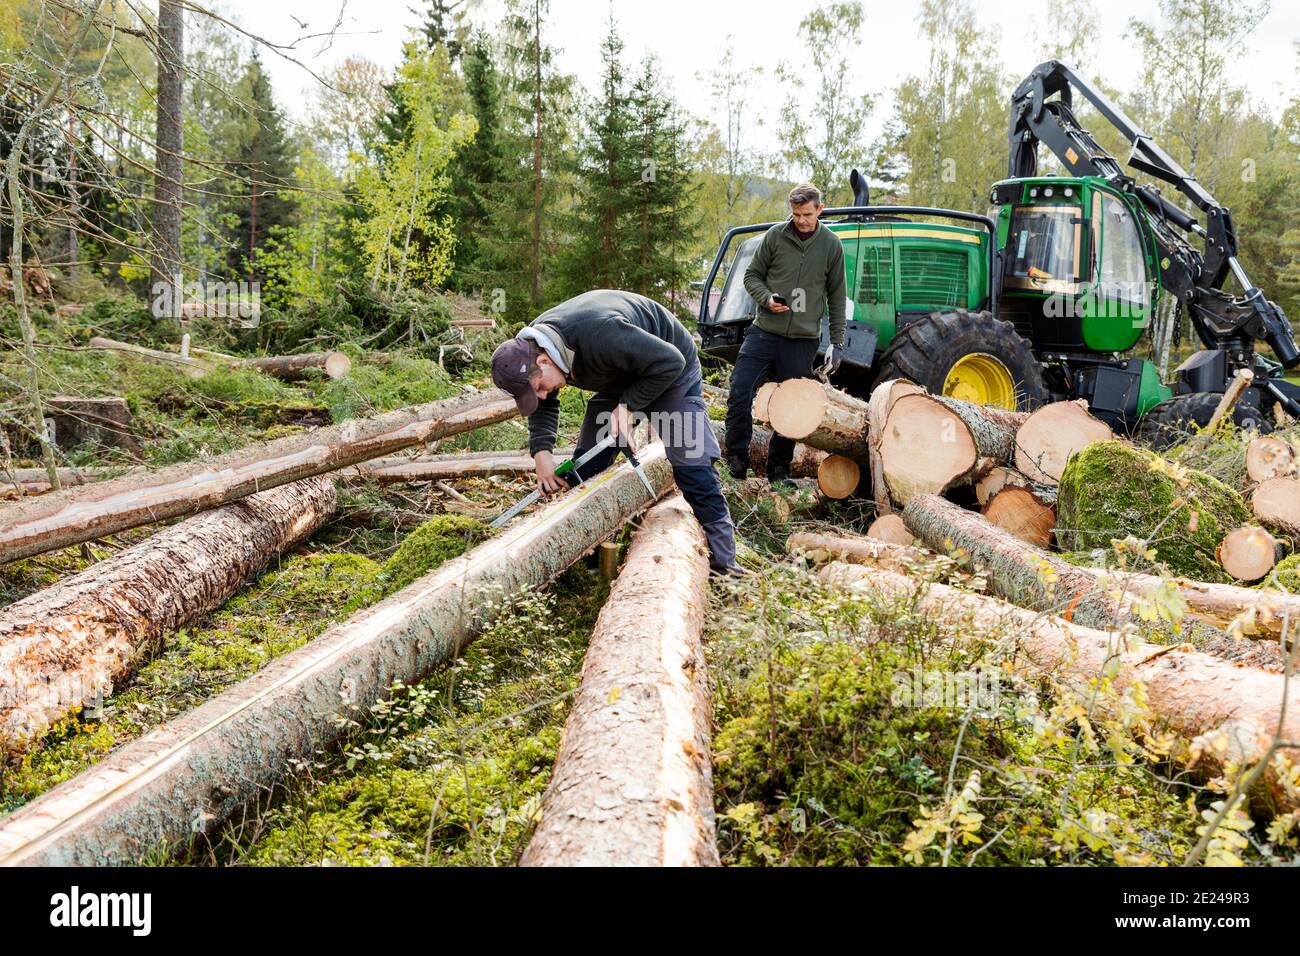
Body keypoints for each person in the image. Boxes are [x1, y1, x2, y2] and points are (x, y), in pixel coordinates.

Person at [491, 289, 742, 575]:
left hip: (672, 372)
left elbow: (670, 362)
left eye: (538, 387)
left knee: (693, 467)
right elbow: (543, 405)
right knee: (586, 467)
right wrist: (541, 453)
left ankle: (726, 567)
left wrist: (628, 406)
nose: (543, 396)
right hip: (621, 376)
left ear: (544, 362)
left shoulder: (600, 333)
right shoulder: (534, 345)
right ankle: (587, 556)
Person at [724, 182, 847, 487]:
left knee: (791, 407)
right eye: (796, 214)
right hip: (764, 332)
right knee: (740, 391)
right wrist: (766, 298)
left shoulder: (832, 246)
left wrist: (837, 342)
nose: (801, 220)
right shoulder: (775, 237)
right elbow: (751, 276)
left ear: (820, 209)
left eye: (807, 214)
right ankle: (735, 461)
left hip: (803, 341)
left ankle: (778, 470)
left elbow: (837, 296)